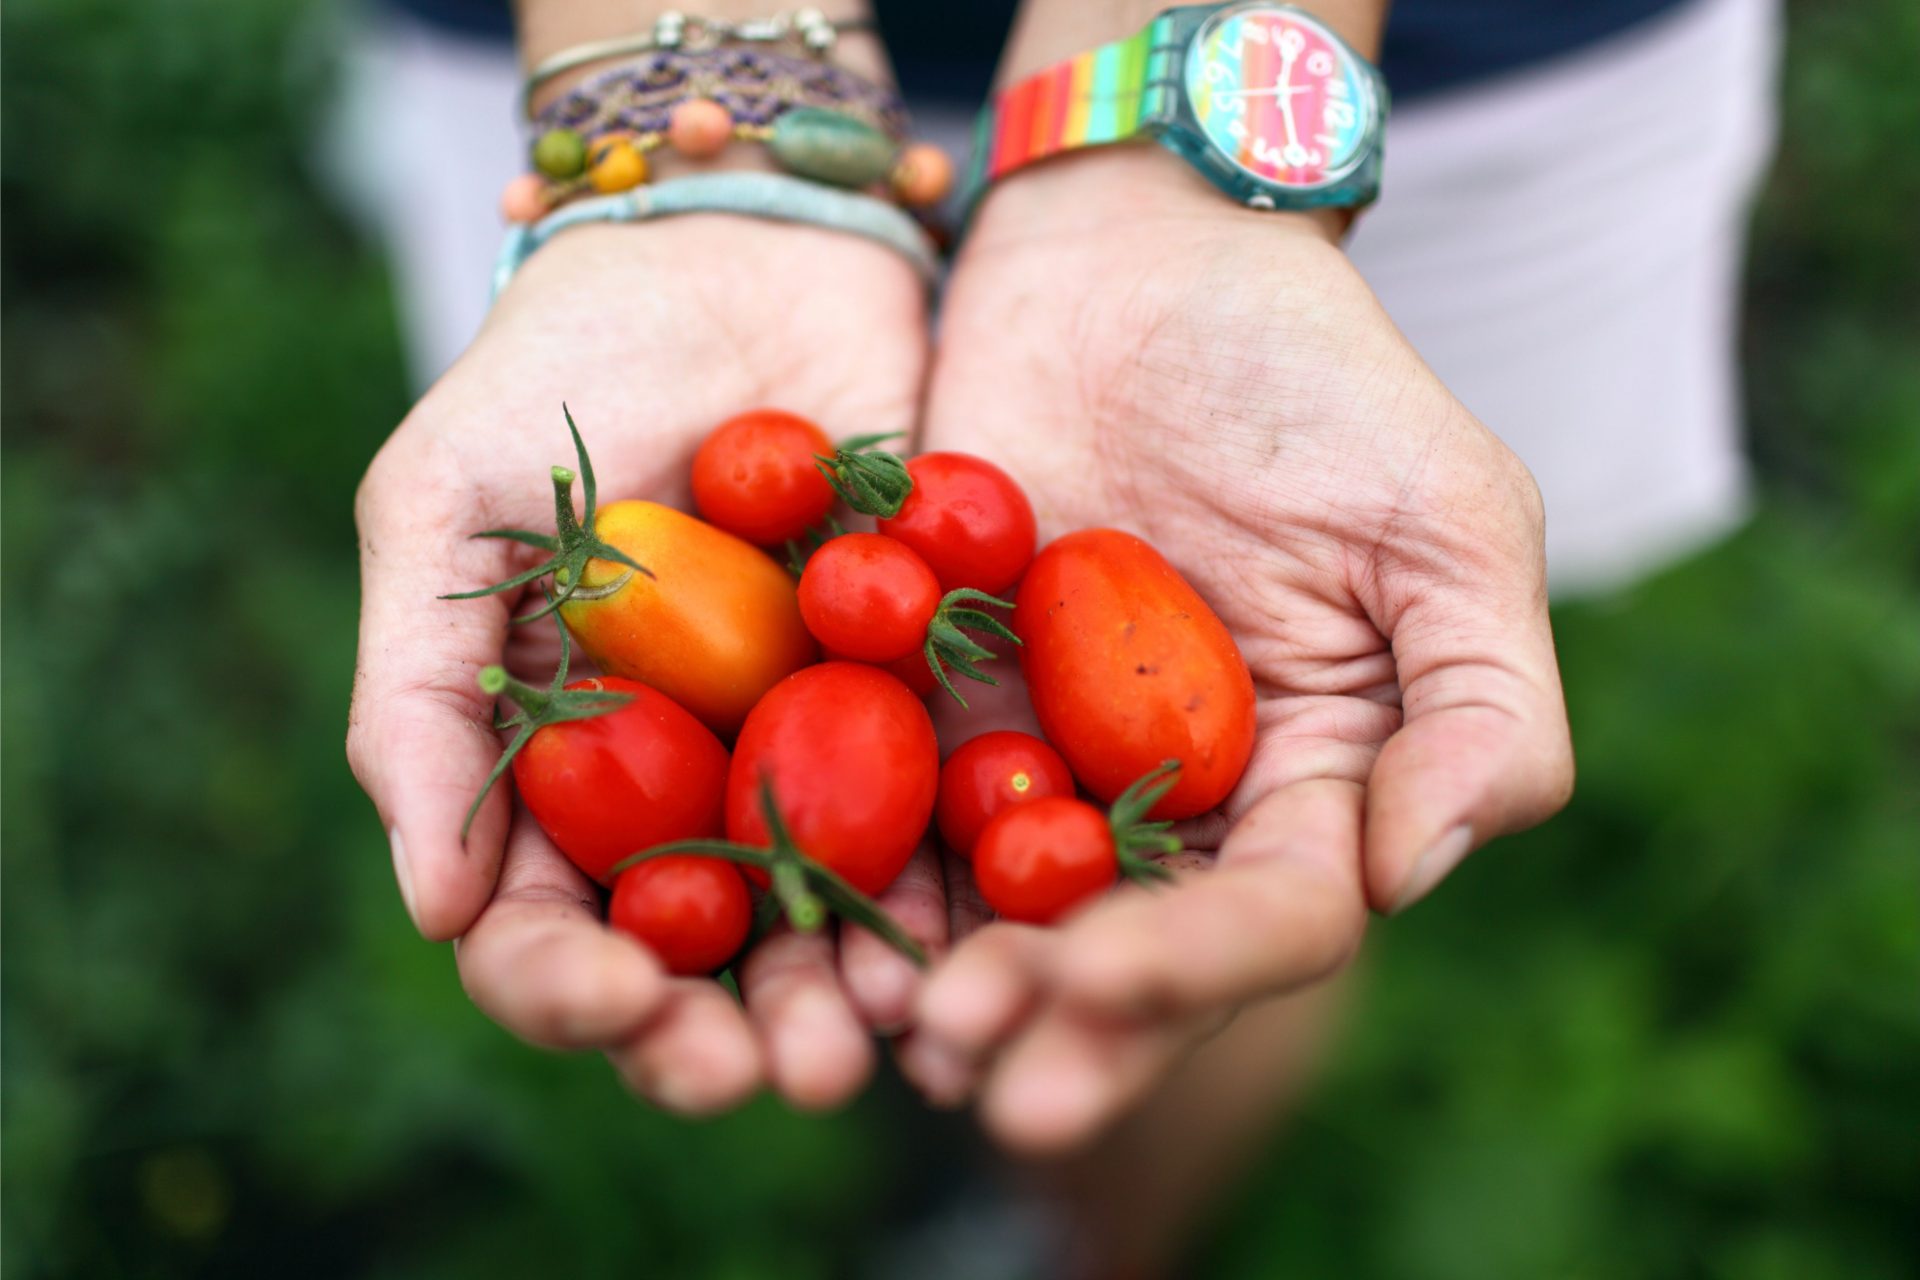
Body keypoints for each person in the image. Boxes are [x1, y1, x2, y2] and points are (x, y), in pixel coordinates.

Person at [344, 0, 1775, 1271]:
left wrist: (1184, 165)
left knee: (1268, 831)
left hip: (1413, 78)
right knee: (1230, 843)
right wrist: (703, 105)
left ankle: (1085, 1238)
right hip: (631, 66)